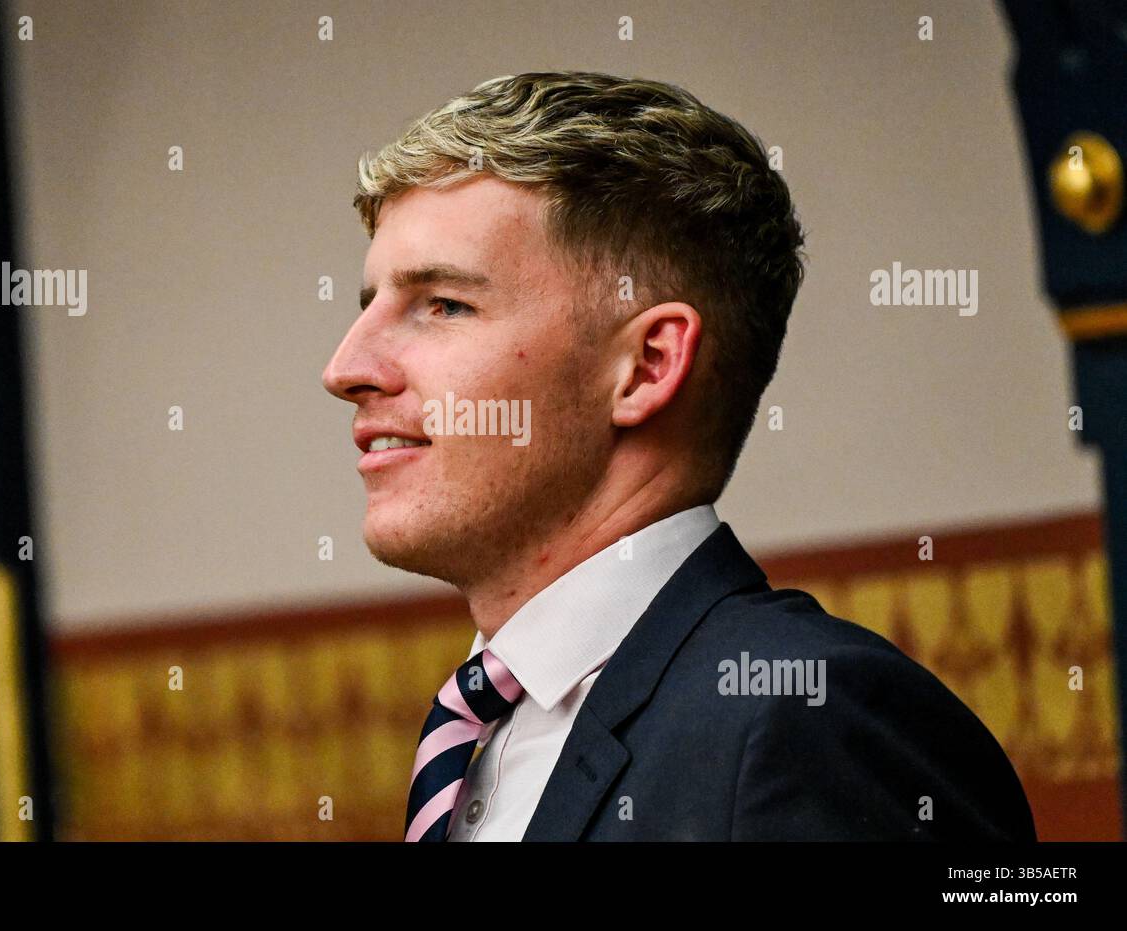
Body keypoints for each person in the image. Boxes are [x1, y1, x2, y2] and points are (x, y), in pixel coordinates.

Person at [321, 71, 1036, 842]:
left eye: (445, 305)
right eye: (371, 306)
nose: (346, 368)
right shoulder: (476, 738)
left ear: (648, 367)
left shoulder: (805, 721)